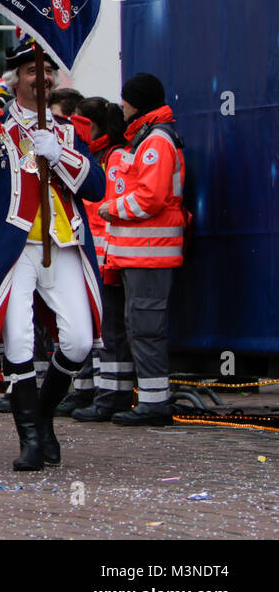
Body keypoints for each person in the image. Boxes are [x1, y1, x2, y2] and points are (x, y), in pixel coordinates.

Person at [0, 37, 105, 470]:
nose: (42, 78)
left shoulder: (69, 131)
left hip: (64, 244)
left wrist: (59, 155)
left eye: (48, 71)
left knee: (78, 341)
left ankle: (43, 413)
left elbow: (96, 188)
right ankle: (31, 440)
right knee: (17, 339)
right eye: (32, 71)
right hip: (12, 250)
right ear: (16, 78)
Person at [95, 73, 188, 427]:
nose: (121, 105)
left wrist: (112, 207)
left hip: (151, 251)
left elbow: (151, 197)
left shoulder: (156, 141)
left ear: (138, 101)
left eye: (126, 99)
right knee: (136, 325)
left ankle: (154, 403)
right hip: (139, 252)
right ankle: (144, 399)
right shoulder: (147, 138)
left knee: (146, 326)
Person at [67, 97, 128, 419]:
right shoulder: (95, 154)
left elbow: (105, 204)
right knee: (89, 329)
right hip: (91, 252)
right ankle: (88, 391)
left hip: (106, 255)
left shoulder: (112, 156)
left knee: (108, 331)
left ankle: (110, 396)